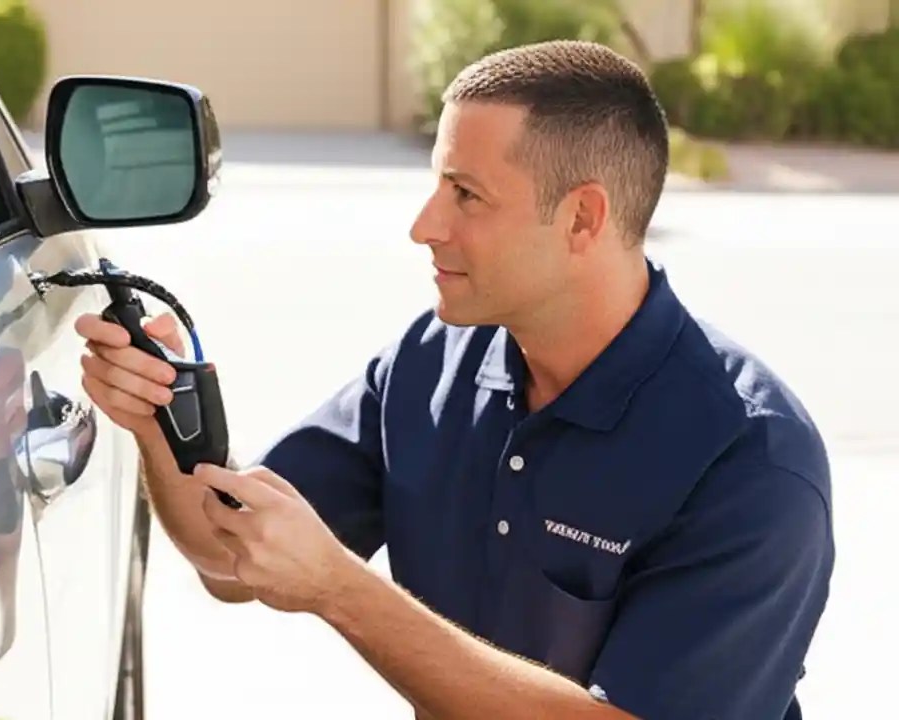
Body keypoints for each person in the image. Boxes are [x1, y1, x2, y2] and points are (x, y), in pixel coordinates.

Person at [75, 40, 834, 720]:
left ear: (582, 219)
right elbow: (230, 557)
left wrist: (342, 589)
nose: (425, 224)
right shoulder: (433, 360)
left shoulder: (750, 460)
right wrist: (160, 420)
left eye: (466, 194)